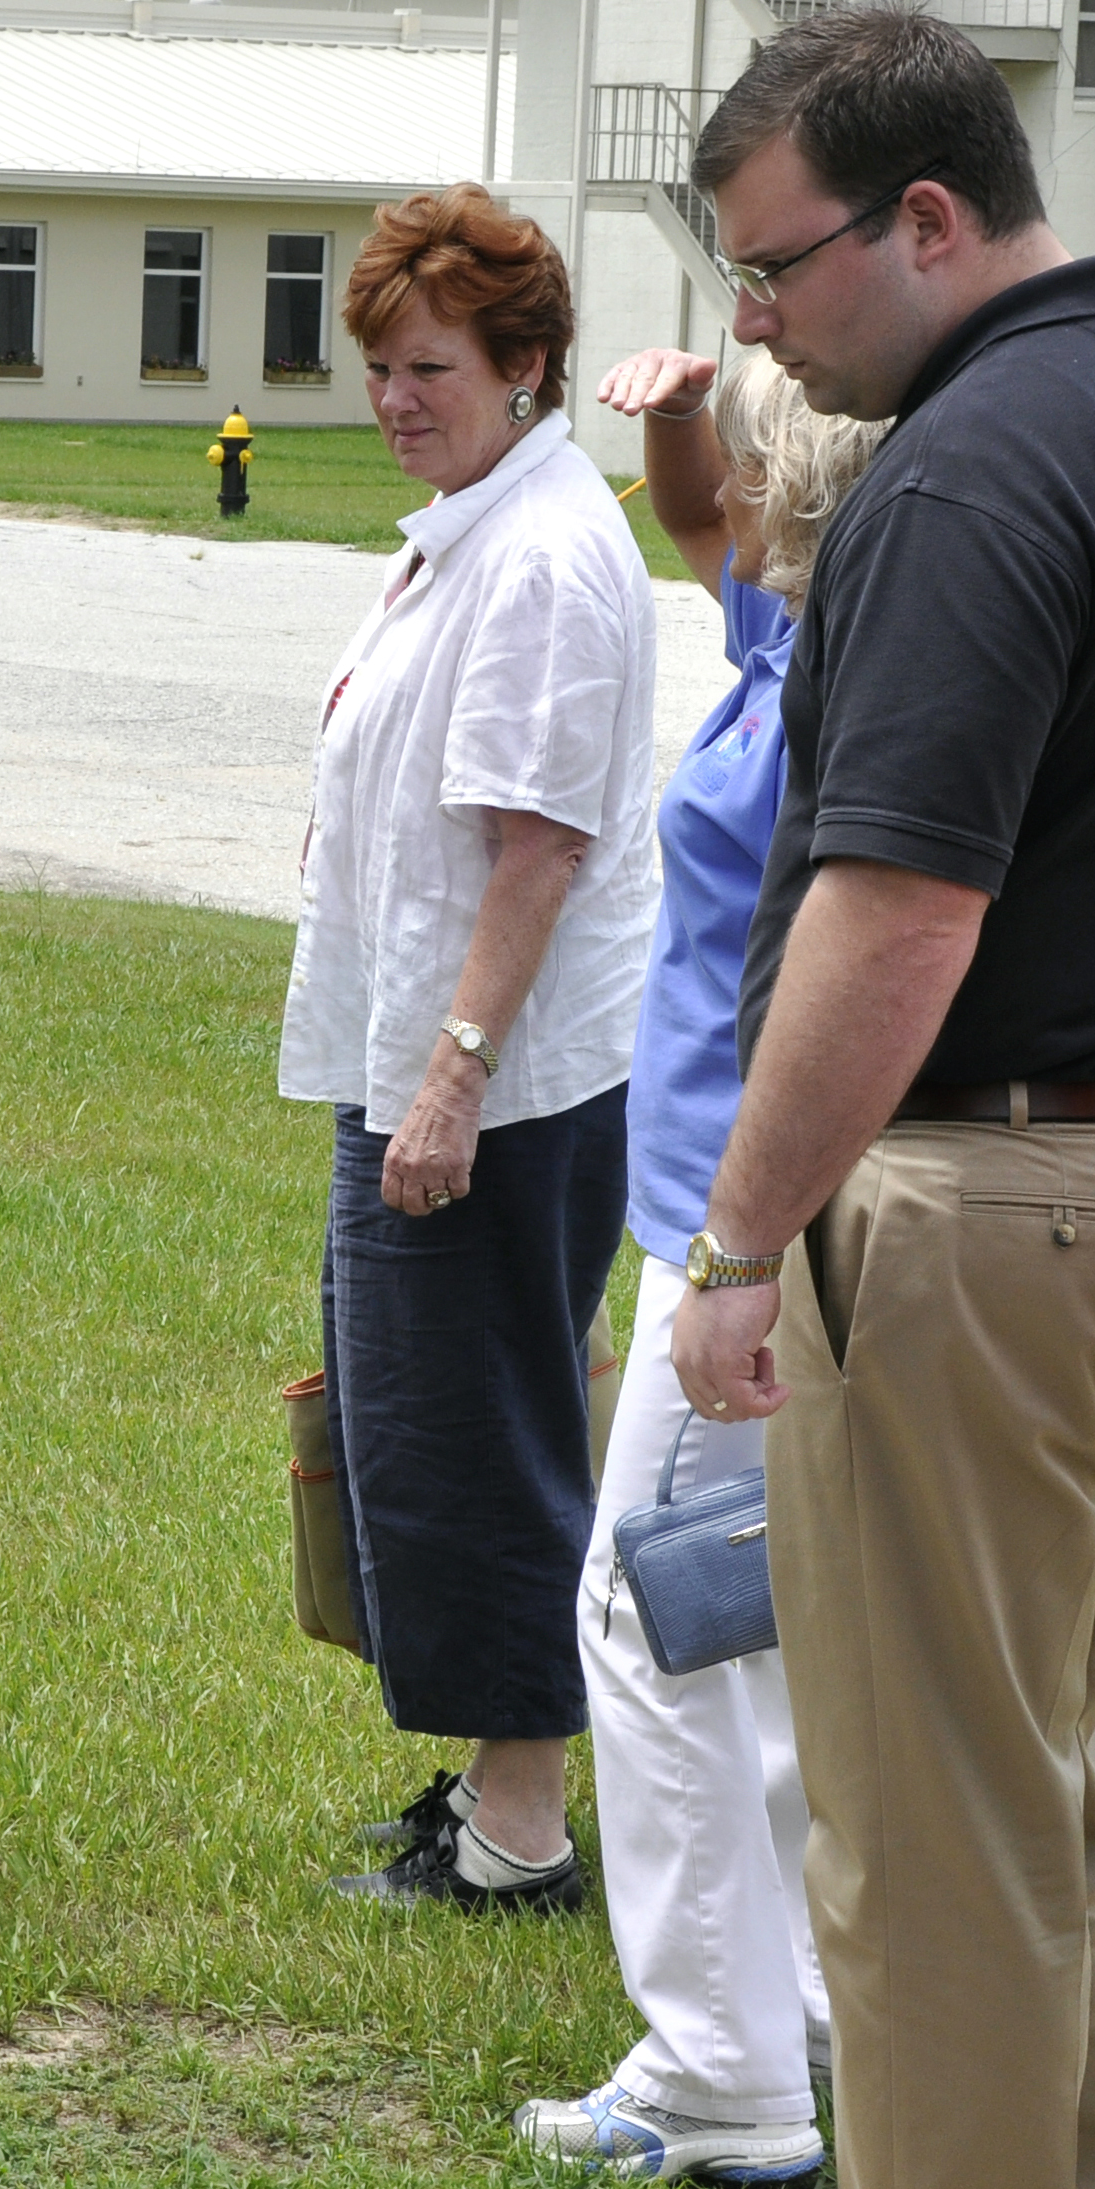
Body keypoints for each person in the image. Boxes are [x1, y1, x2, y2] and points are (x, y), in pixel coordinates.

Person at [636, 6, 1095, 2189]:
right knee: (1042, 1788)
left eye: (776, 268)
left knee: (932, 1832)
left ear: (933, 218)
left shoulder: (971, 467)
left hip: (987, 1204)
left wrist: (740, 1243)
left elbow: (896, 911)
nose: (753, 321)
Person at [512, 347, 885, 2186]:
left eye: (738, 456)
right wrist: (672, 419)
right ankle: (803, 2005)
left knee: (647, 1612)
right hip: (733, 1214)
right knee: (766, 1615)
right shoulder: (800, 632)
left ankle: (715, 2076)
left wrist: (742, 1238)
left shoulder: (832, 684)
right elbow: (690, 523)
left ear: (790, 484)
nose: (714, 494)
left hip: (743, 1222)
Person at [282, 185, 661, 1912]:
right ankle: (497, 1791)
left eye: (426, 366)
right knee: (425, 1420)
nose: (391, 396)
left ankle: (518, 1835)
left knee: (481, 1434)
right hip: (438, 1063)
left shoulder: (540, 558)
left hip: (494, 1088)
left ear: (526, 367)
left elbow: (536, 847)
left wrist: (448, 1079)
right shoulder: (476, 524)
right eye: (376, 364)